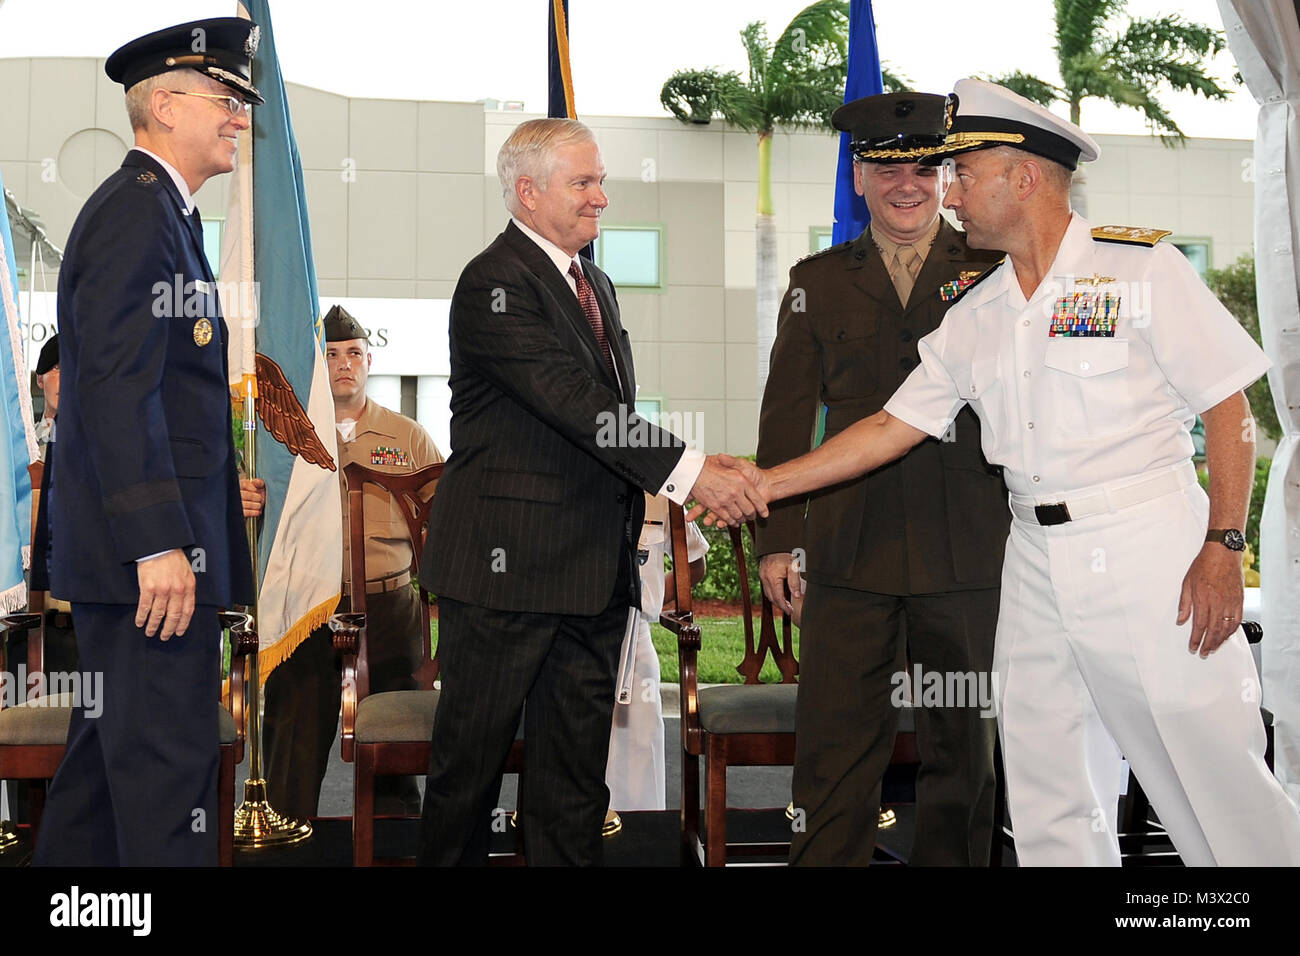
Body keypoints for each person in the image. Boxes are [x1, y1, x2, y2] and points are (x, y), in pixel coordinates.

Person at [743, 78, 1300, 866]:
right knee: (1046, 782)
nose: (951, 193)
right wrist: (767, 485)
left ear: (1024, 177)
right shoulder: (979, 310)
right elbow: (888, 428)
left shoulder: (1139, 271)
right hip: (1032, 561)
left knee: (1209, 767)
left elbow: (1230, 411)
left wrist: (1224, 545)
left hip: (1146, 547)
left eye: (963, 174)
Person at [417, 117, 765, 866]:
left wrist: (692, 467)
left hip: (591, 578)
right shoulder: (495, 282)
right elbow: (575, 404)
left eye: (602, 180)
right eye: (585, 182)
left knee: (573, 788)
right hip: (502, 577)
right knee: (466, 781)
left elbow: (607, 416)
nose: (602, 198)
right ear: (528, 190)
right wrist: (691, 470)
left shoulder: (594, 282)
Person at [756, 92, 1007, 866]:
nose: (908, 184)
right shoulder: (816, 280)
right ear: (858, 176)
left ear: (941, 174)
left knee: (962, 751)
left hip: (967, 547)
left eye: (925, 167)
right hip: (849, 547)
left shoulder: (995, 270)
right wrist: (778, 543)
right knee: (835, 748)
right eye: (887, 168)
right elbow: (786, 415)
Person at [31, 18, 260, 866]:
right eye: (226, 97)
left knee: (100, 790)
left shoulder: (163, 213)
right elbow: (116, 393)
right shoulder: (137, 215)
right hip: (150, 568)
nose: (240, 115)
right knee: (167, 785)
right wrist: (159, 538)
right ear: (165, 104)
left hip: (148, 562)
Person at [262, 304, 443, 821]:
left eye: (355, 354)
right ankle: (285, 837)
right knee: (294, 731)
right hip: (310, 604)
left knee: (394, 737)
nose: (345, 364)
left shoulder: (407, 436)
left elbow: (443, 516)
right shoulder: (290, 436)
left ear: (369, 362)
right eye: (333, 354)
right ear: (320, 363)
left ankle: (392, 839)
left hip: (391, 606)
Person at [605, 492, 707, 823]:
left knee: (639, 754)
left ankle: (640, 838)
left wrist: (649, 597)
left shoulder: (660, 494)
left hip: (634, 639)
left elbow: (694, 563)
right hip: (570, 637)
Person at [34, 334, 59, 457]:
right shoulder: (22, 446)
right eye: (57, 368)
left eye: (73, 369)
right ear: (40, 379)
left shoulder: (99, 445)